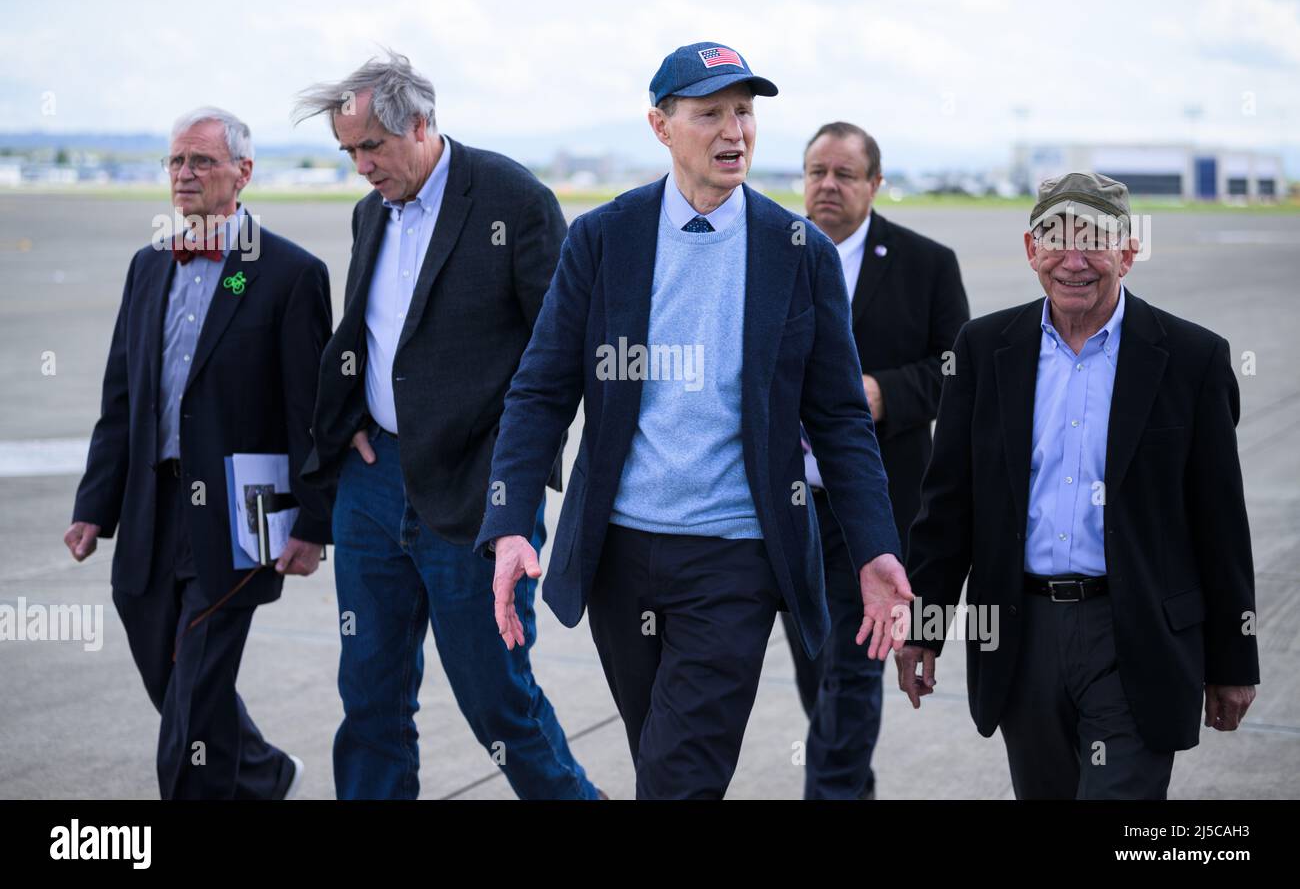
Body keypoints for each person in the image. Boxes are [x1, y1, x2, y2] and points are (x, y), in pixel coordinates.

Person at [477, 42, 911, 799]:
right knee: (663, 763)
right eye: (709, 113)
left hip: (735, 557)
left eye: (744, 111)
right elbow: (541, 390)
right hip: (620, 554)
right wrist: (512, 520)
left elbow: (840, 417)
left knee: (680, 777)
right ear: (660, 126)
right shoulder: (604, 238)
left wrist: (876, 547)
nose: (733, 130)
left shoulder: (795, 249)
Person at [294, 51, 600, 800]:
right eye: (348, 151)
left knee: (496, 698)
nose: (361, 166)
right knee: (368, 693)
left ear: (421, 123)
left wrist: (516, 486)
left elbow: (558, 355)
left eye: (372, 146)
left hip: (476, 489)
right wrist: (353, 423)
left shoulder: (512, 200)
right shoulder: (372, 212)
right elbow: (372, 333)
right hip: (373, 484)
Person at [896, 172, 1259, 799]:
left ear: (1128, 251)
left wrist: (1233, 660)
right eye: (1054, 239)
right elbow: (948, 504)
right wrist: (924, 625)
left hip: (1135, 633)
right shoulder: (983, 349)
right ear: (1031, 249)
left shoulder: (1193, 358)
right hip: (1020, 631)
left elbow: (1220, 522)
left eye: (1092, 239)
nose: (1073, 260)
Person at [66, 107, 331, 799]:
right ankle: (266, 773)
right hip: (151, 512)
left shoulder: (285, 274)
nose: (185, 175)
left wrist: (312, 524)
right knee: (174, 682)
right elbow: (122, 398)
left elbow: (310, 413)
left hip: (238, 520)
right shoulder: (148, 267)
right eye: (177, 162)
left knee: (188, 720)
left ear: (243, 173)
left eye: (202, 162)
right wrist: (94, 506)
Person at [780, 122, 969, 799]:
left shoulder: (926, 263)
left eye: (844, 175)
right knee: (815, 669)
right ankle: (849, 790)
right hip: (788, 507)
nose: (826, 186)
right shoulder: (769, 253)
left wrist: (884, 393)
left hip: (873, 509)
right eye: (815, 172)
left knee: (855, 668)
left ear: (875, 184)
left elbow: (955, 371)